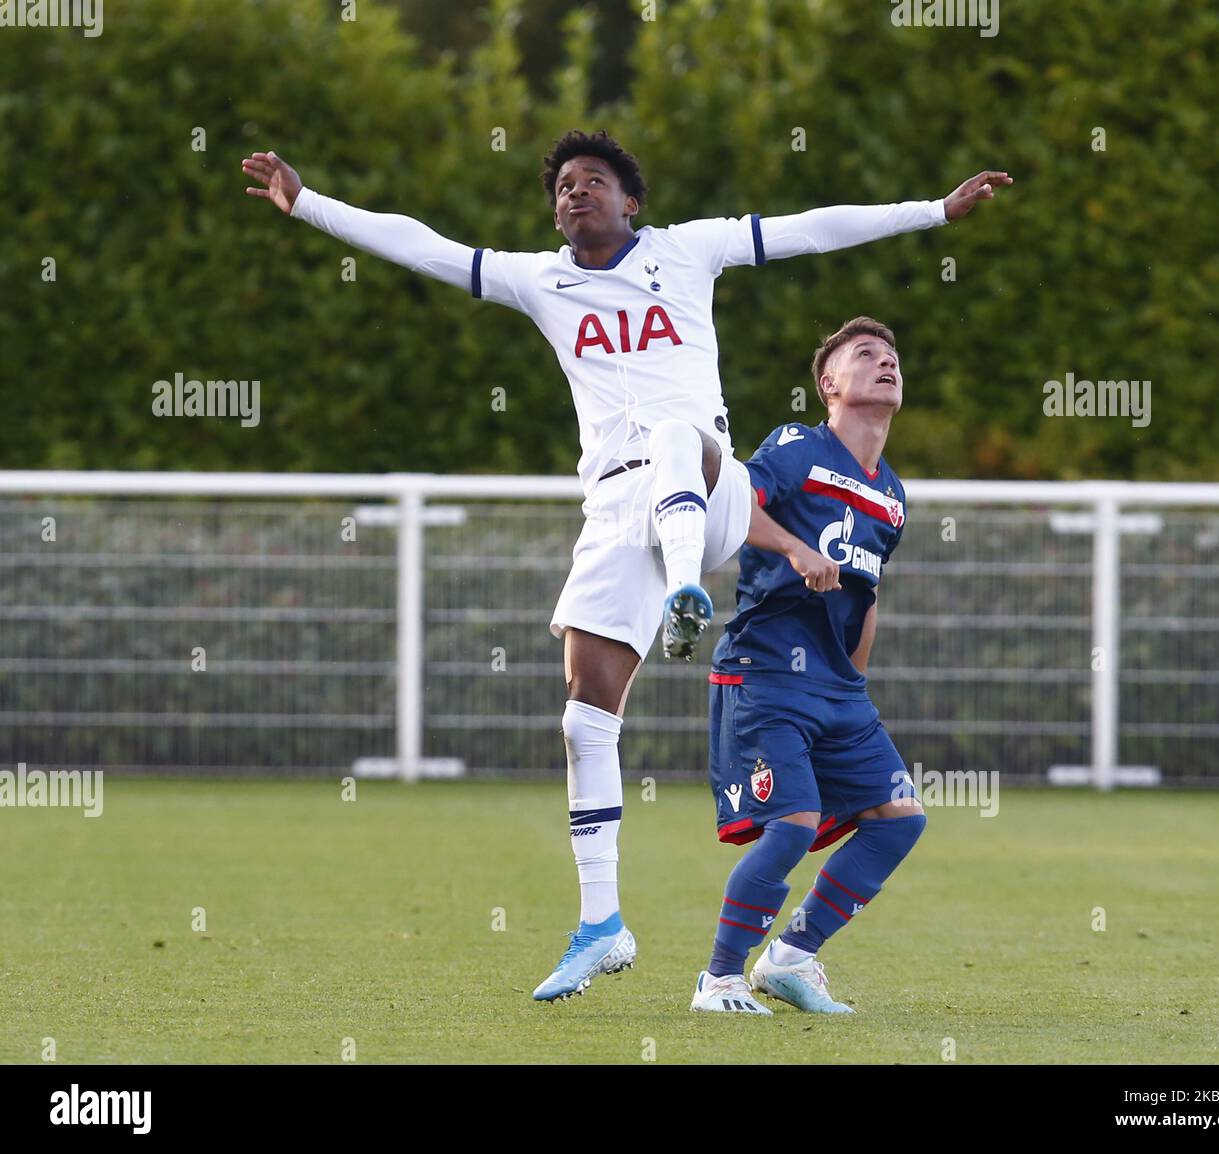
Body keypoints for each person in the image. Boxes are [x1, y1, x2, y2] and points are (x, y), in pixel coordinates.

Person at [242, 133, 1009, 1001]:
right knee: (583, 719)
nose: (575, 195)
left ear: (630, 202)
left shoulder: (688, 251)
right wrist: (308, 203)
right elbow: (426, 246)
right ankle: (603, 921)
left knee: (677, 432)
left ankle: (687, 591)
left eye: (593, 182)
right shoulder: (543, 281)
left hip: (714, 492)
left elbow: (811, 228)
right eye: (564, 186)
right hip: (616, 511)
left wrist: (932, 211)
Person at [692, 316, 924, 1014]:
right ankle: (720, 979)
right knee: (793, 823)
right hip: (766, 673)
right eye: (865, 355)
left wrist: (855, 680)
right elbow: (730, 506)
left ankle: (790, 958)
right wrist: (795, 548)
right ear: (829, 384)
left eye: (891, 356)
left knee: (899, 818)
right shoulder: (796, 445)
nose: (885, 363)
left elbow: (867, 595)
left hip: (837, 689)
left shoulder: (893, 493)